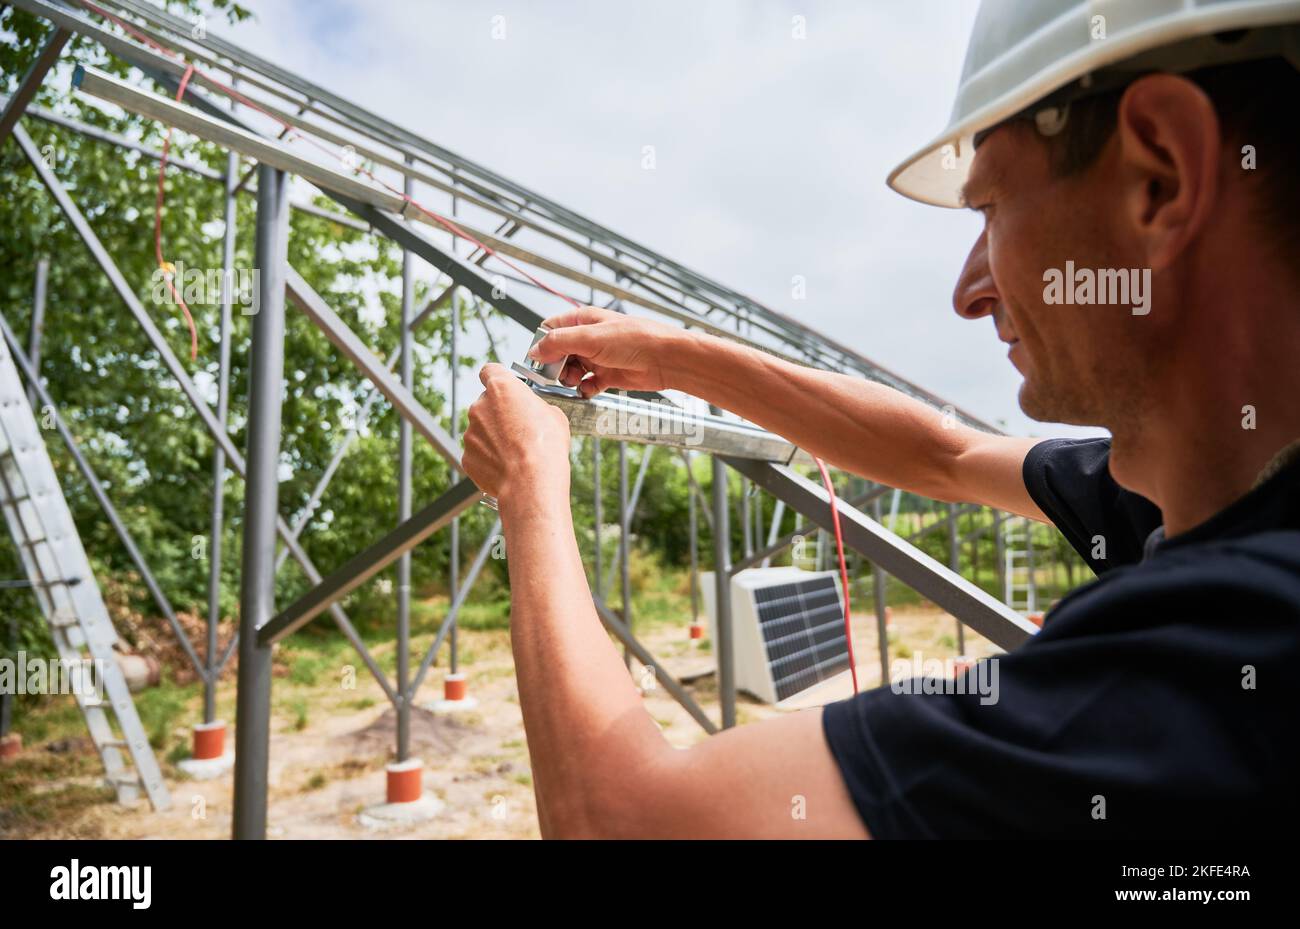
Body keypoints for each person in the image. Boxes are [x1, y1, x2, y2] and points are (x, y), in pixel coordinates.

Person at [460, 0, 1300, 837]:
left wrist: (530, 485)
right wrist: (673, 356)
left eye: (991, 208)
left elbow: (621, 819)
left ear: (1162, 178)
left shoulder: (1221, 649)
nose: (969, 292)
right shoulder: (1193, 494)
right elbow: (943, 454)